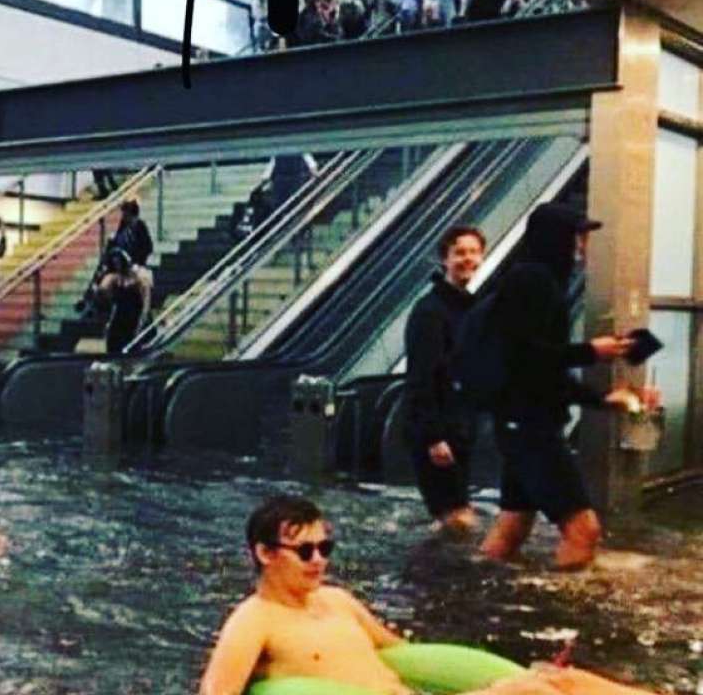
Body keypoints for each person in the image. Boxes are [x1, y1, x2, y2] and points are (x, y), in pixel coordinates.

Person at [199, 495, 660, 695]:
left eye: (325, 547)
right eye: (305, 550)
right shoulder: (255, 620)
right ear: (265, 553)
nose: (319, 559)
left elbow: (405, 654)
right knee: (537, 687)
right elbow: (217, 691)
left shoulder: (337, 602)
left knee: (558, 679)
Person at [479, 203, 658, 570]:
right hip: (530, 427)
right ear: (555, 238)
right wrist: (591, 352)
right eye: (578, 235)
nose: (583, 244)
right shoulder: (534, 282)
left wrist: (601, 397)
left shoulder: (536, 281)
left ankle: (474, 597)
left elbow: (542, 367)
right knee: (583, 531)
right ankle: (556, 620)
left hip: (522, 422)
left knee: (513, 526)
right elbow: (527, 357)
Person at [404, 226, 484, 535]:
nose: (468, 259)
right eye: (459, 253)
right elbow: (422, 377)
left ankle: (438, 574)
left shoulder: (472, 306)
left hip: (461, 426)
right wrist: (434, 437)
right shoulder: (429, 311)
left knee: (455, 516)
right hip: (435, 431)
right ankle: (433, 577)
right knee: (457, 518)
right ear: (444, 260)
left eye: (474, 252)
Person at [96, 248, 149, 355]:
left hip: (134, 312)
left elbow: (146, 298)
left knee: (131, 340)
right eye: (114, 263)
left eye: (119, 262)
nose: (117, 265)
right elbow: (103, 290)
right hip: (120, 313)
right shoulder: (114, 278)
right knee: (114, 339)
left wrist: (143, 317)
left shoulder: (138, 278)